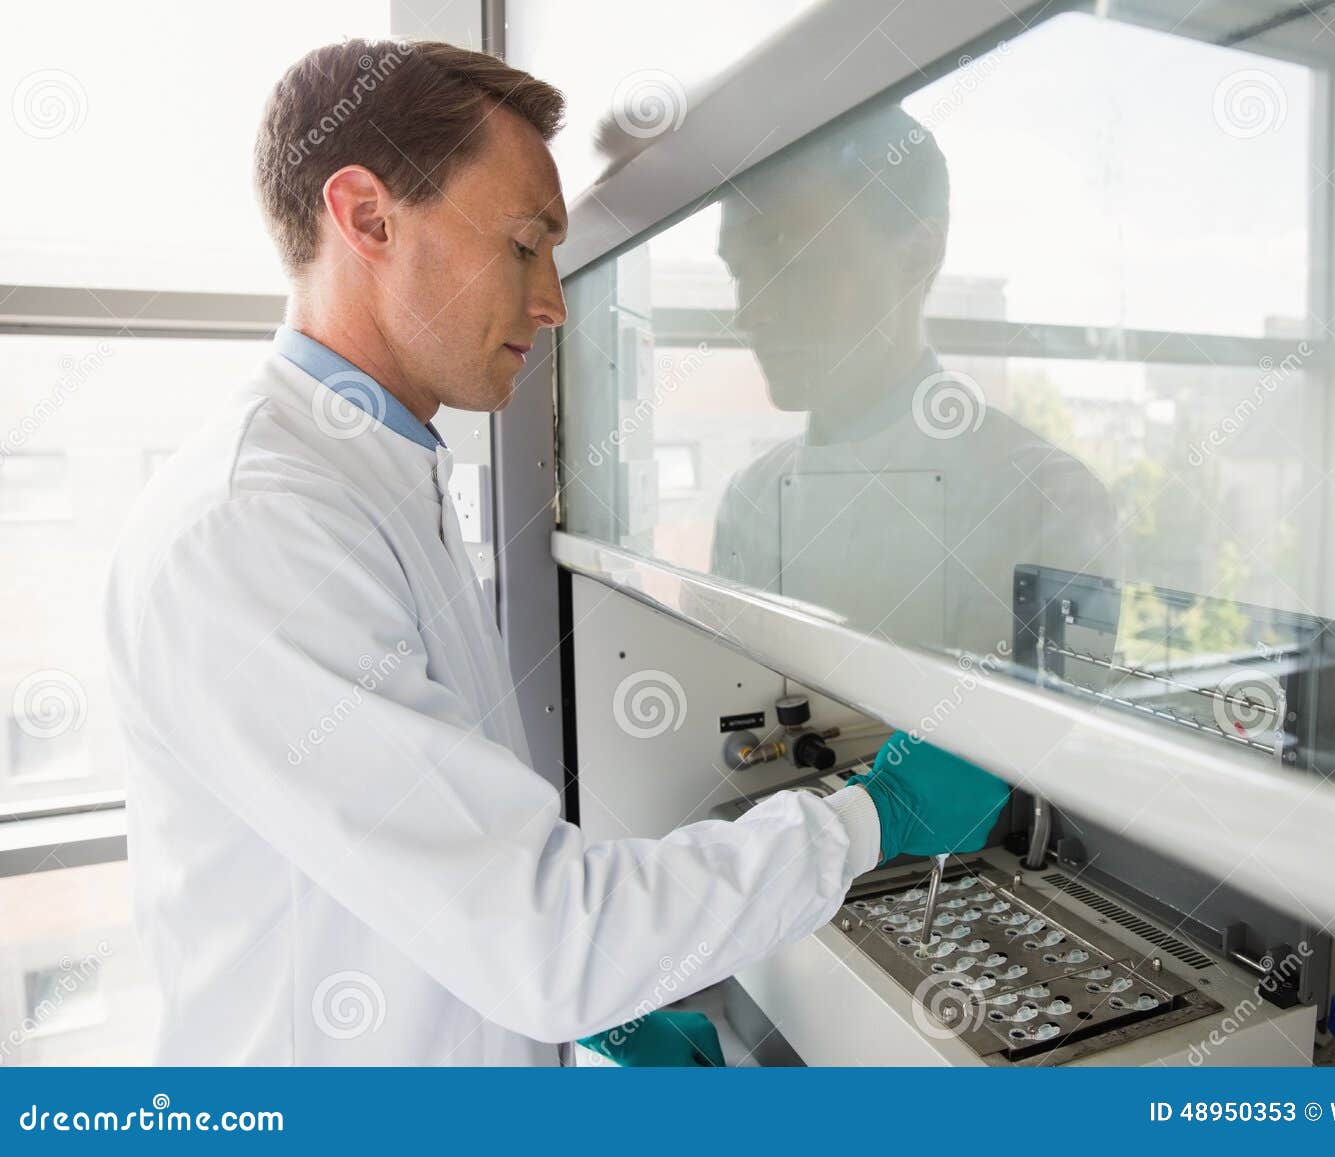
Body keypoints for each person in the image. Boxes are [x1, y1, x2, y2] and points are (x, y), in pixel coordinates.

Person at [102, 39, 1008, 1066]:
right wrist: (870, 817)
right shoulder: (258, 527)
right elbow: (541, 933)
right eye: (526, 245)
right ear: (366, 217)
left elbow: (436, 867)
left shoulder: (377, 476)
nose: (554, 302)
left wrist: (577, 1018)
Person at [710, 104, 1119, 661]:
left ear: (918, 253)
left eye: (792, 264)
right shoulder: (748, 502)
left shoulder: (1049, 504)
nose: (749, 313)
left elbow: (1041, 742)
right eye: (740, 273)